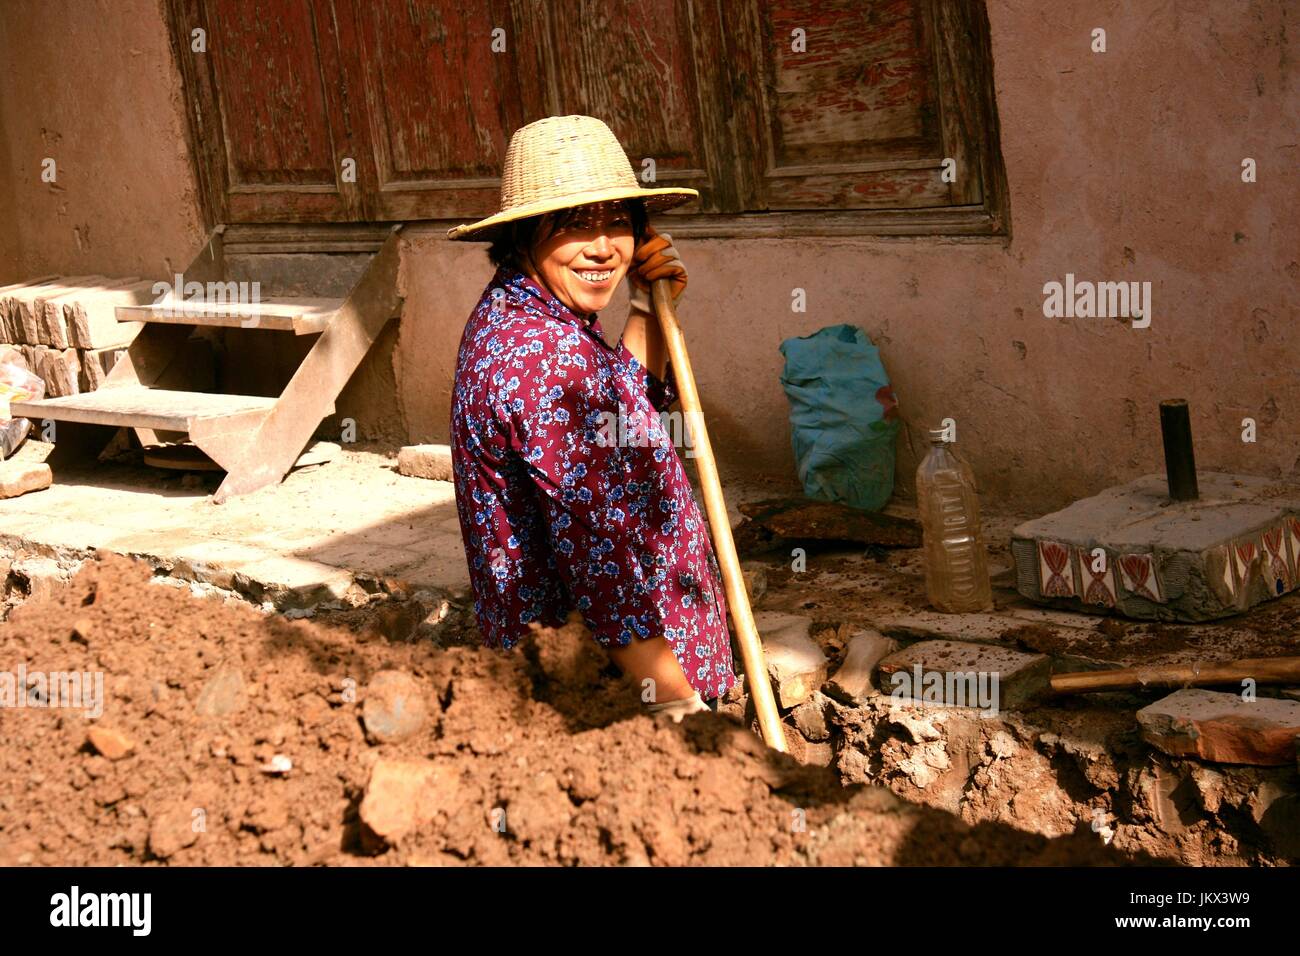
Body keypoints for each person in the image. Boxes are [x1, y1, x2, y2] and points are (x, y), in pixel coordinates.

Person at [446, 115, 737, 720]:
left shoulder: (528, 316)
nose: (604, 248)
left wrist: (647, 309)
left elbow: (619, 418)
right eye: (576, 226)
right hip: (616, 692)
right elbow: (601, 560)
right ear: (525, 234)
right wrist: (676, 707)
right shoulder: (543, 359)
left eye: (617, 224)